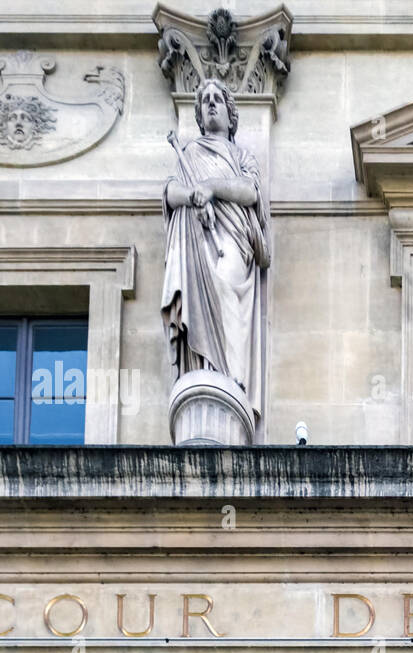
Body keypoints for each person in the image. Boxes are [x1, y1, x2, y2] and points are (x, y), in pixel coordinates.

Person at [161, 78, 270, 421]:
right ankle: (203, 371)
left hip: (233, 238)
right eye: (204, 100)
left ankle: (231, 378)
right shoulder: (189, 153)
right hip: (195, 238)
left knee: (225, 286)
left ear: (230, 113)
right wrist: (191, 196)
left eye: (217, 100)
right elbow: (170, 191)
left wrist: (210, 188)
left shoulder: (241, 155)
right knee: (197, 299)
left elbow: (250, 191)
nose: (210, 104)